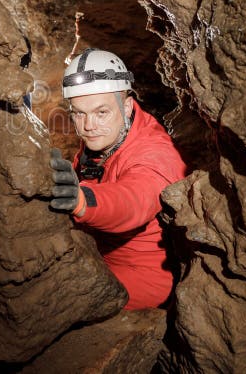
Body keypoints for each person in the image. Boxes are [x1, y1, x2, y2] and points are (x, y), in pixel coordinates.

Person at [49, 48, 187, 310]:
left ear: (126, 106)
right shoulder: (106, 136)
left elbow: (133, 200)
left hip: (142, 276)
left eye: (101, 112)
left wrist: (82, 199)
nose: (88, 125)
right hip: (99, 255)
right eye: (79, 113)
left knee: (57, 302)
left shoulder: (154, 153)